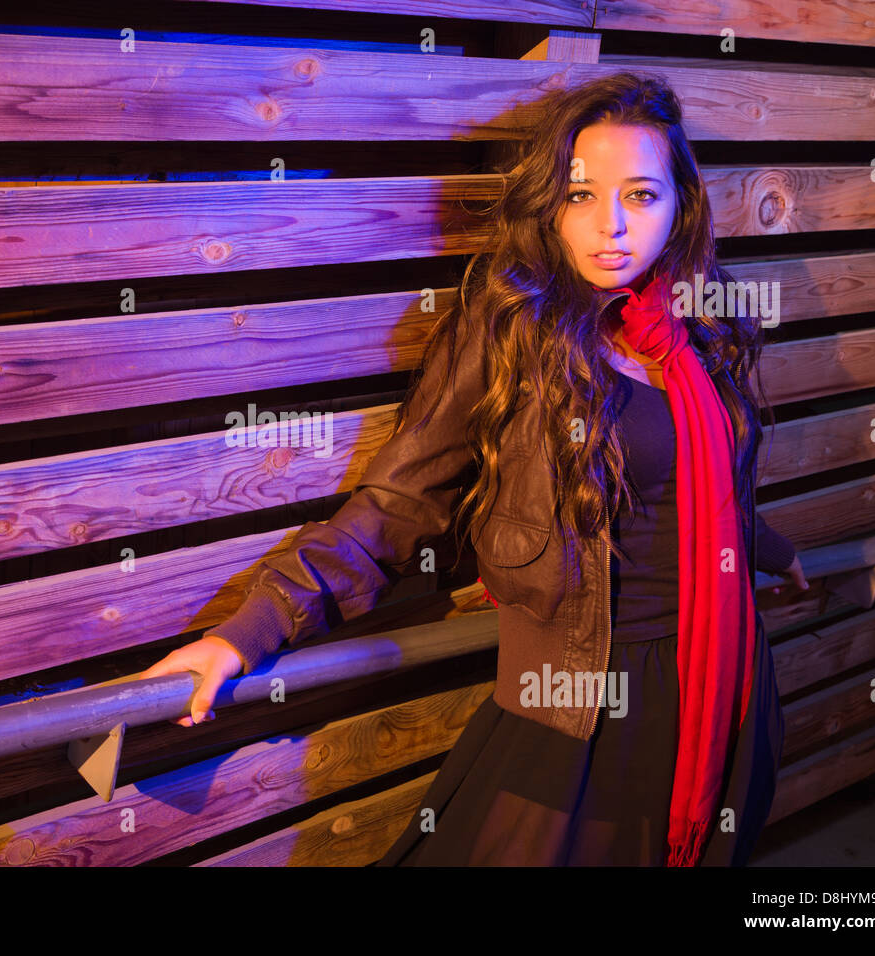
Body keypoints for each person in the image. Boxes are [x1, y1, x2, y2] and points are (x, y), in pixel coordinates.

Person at [138, 72, 808, 866]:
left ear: (680, 206)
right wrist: (245, 635)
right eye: (581, 195)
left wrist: (770, 549)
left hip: (722, 676)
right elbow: (395, 507)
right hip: (580, 698)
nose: (611, 228)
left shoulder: (698, 335)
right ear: (549, 204)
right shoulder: (513, 332)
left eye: (640, 196)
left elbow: (704, 490)